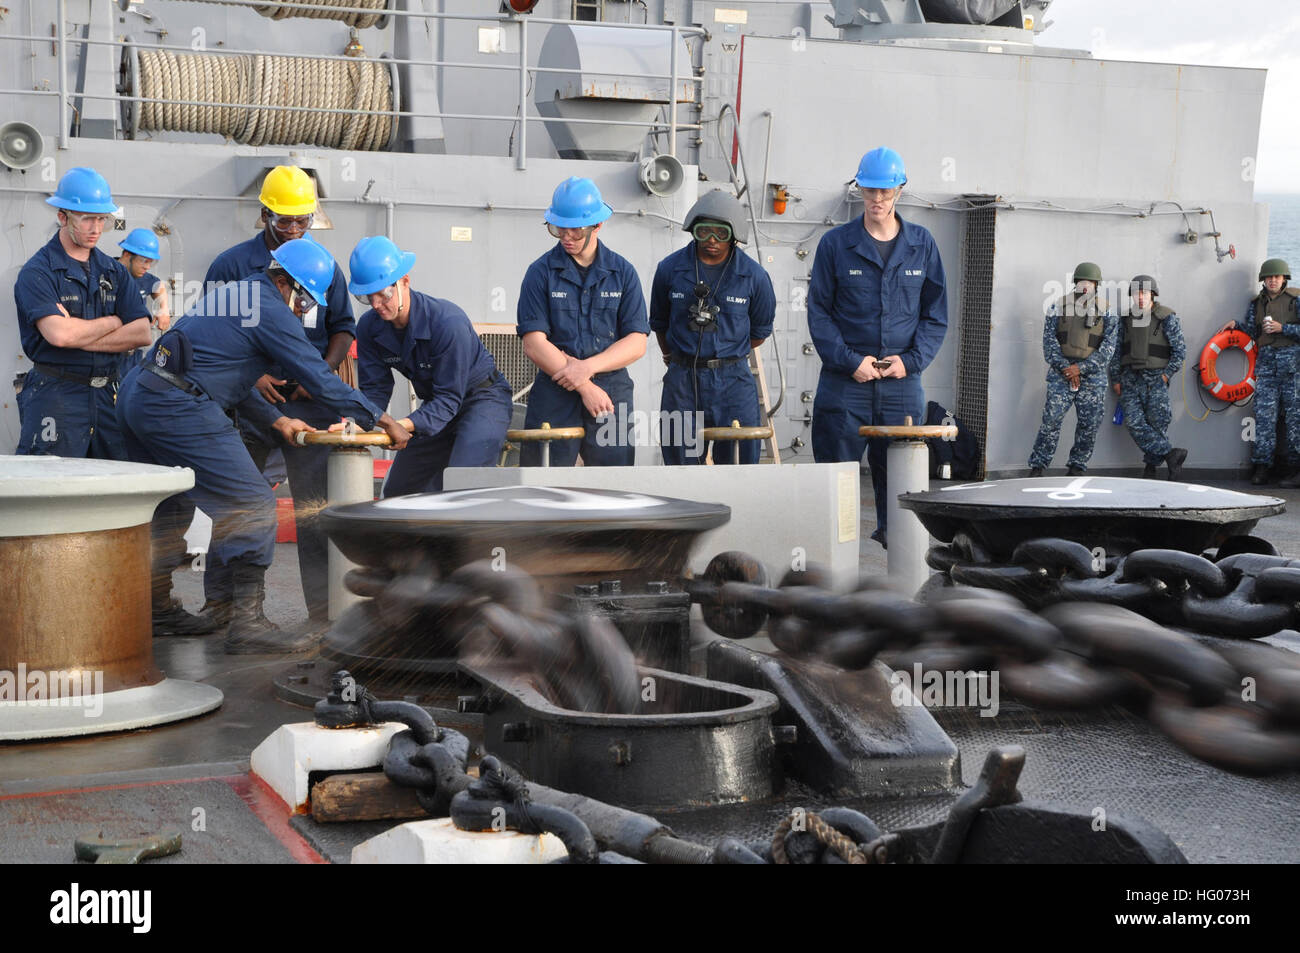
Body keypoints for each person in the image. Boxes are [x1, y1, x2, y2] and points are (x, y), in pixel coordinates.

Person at [117, 238, 410, 654]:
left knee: (172, 506)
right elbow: (320, 379)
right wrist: (384, 420)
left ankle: (157, 609)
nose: (302, 312)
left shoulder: (238, 292)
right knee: (252, 502)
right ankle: (247, 622)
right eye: (306, 303)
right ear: (290, 285)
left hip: (141, 396)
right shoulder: (272, 310)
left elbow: (221, 374)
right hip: (177, 406)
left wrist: (276, 419)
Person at [200, 165, 355, 632]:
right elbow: (210, 340)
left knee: (314, 511)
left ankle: (324, 614)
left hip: (310, 403)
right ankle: (223, 607)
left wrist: (319, 373)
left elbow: (343, 328)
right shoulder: (230, 267)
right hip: (250, 403)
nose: (293, 230)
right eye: (283, 221)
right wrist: (253, 384)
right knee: (239, 502)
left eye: (301, 221)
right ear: (263, 212)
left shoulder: (323, 267)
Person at [808, 147, 948, 548]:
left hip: (901, 384)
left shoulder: (922, 245)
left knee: (902, 487)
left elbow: (935, 314)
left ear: (901, 190)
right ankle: (834, 567)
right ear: (860, 189)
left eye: (886, 192)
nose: (878, 200)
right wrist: (850, 362)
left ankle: (901, 569)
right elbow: (819, 313)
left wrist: (912, 361)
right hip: (845, 384)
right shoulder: (836, 245)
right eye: (870, 191)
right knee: (837, 481)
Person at [349, 236, 512, 494]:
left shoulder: (448, 323)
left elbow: (449, 398)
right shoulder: (369, 328)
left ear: (405, 281)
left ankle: (462, 531)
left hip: (482, 399)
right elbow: (375, 390)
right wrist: (358, 422)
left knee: (462, 487)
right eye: (368, 298)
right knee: (397, 491)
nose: (377, 305)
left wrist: (400, 425)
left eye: (384, 293)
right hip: (437, 406)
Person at [13, 167, 151, 458]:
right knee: (53, 490)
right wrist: (114, 322)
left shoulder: (114, 271)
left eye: (102, 219)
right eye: (87, 218)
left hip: (109, 395)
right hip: (56, 395)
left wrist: (79, 333)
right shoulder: (38, 273)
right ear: (62, 217)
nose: (96, 228)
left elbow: (141, 332)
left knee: (117, 485)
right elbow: (60, 335)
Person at [516, 177, 648, 466]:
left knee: (612, 485)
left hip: (611, 392)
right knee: (542, 481)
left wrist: (588, 369)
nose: (567, 237)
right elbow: (534, 343)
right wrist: (584, 385)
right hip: (556, 389)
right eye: (559, 229)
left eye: (576, 230)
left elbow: (637, 342)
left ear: (597, 226)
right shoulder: (540, 273)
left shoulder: (622, 273)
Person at [649, 190, 775, 464]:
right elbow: (660, 323)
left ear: (735, 235)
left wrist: (726, 355)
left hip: (733, 381)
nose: (712, 241)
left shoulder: (754, 277)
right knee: (681, 466)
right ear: (693, 230)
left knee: (738, 466)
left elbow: (759, 333)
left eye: (721, 233)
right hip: (682, 380)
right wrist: (675, 359)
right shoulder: (669, 270)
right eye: (704, 232)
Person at [1027, 262, 1118, 477]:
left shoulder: (1107, 310)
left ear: (1097, 285)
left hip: (1092, 378)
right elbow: (1049, 343)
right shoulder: (1058, 306)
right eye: (1082, 282)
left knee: (1089, 424)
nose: (1086, 286)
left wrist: (1081, 369)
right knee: (1051, 420)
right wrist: (1067, 368)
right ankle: (1038, 466)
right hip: (1062, 375)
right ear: (1075, 283)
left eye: (1091, 283)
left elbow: (1108, 348)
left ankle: (1077, 466)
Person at [1219, 258, 1300, 486]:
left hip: (1293, 370)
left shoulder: (1296, 300)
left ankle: (1296, 470)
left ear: (1284, 278)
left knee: (1295, 419)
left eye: (1277, 277)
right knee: (1264, 418)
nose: (1273, 280)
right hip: (1267, 369)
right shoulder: (1257, 304)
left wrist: (1284, 328)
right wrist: (1236, 324)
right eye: (1269, 277)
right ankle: (1262, 466)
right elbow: (1253, 330)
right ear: (1263, 280)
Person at [1109, 275, 1187, 480]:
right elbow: (1116, 351)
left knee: (1158, 423)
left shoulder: (1166, 317)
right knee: (1134, 423)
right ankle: (1171, 454)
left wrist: (1165, 376)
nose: (1140, 297)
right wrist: (1115, 379)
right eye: (1136, 293)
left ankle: (1150, 469)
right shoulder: (1125, 320)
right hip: (1130, 379)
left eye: (1144, 293)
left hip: (1155, 379)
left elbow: (1179, 351)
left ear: (1152, 294)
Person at [116, 228, 170, 372]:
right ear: (127, 254)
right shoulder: (106, 272)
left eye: (150, 262)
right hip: (109, 353)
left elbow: (159, 287)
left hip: (132, 357)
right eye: (144, 261)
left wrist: (163, 309)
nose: (147, 267)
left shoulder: (142, 278)